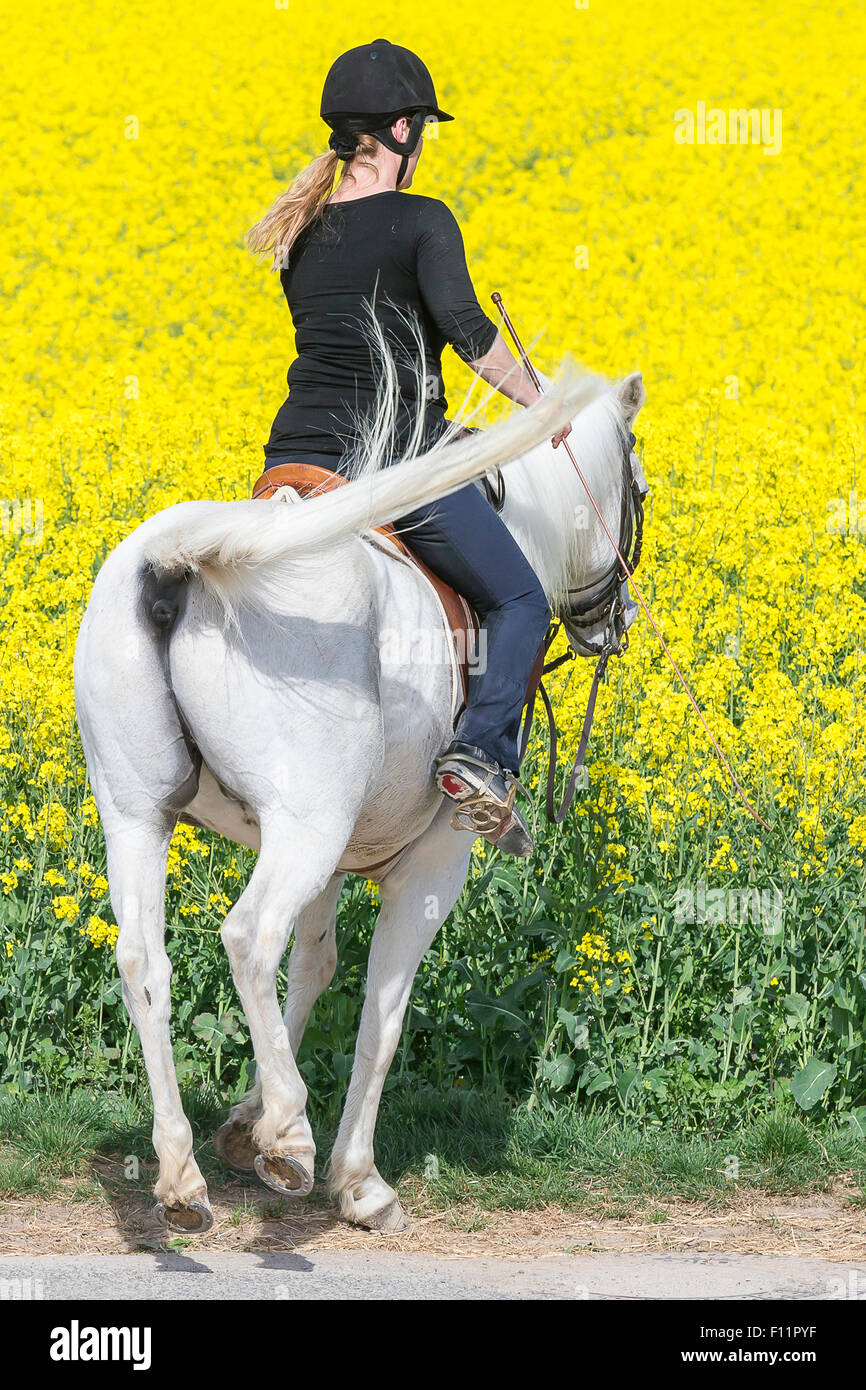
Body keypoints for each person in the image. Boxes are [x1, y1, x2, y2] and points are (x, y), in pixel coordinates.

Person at [247, 38, 570, 856]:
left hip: (293, 463)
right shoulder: (423, 220)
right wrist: (544, 405)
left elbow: (356, 348)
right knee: (523, 602)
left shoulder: (299, 235)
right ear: (400, 130)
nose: (422, 143)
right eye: (421, 128)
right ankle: (482, 759)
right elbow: (470, 338)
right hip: (392, 466)